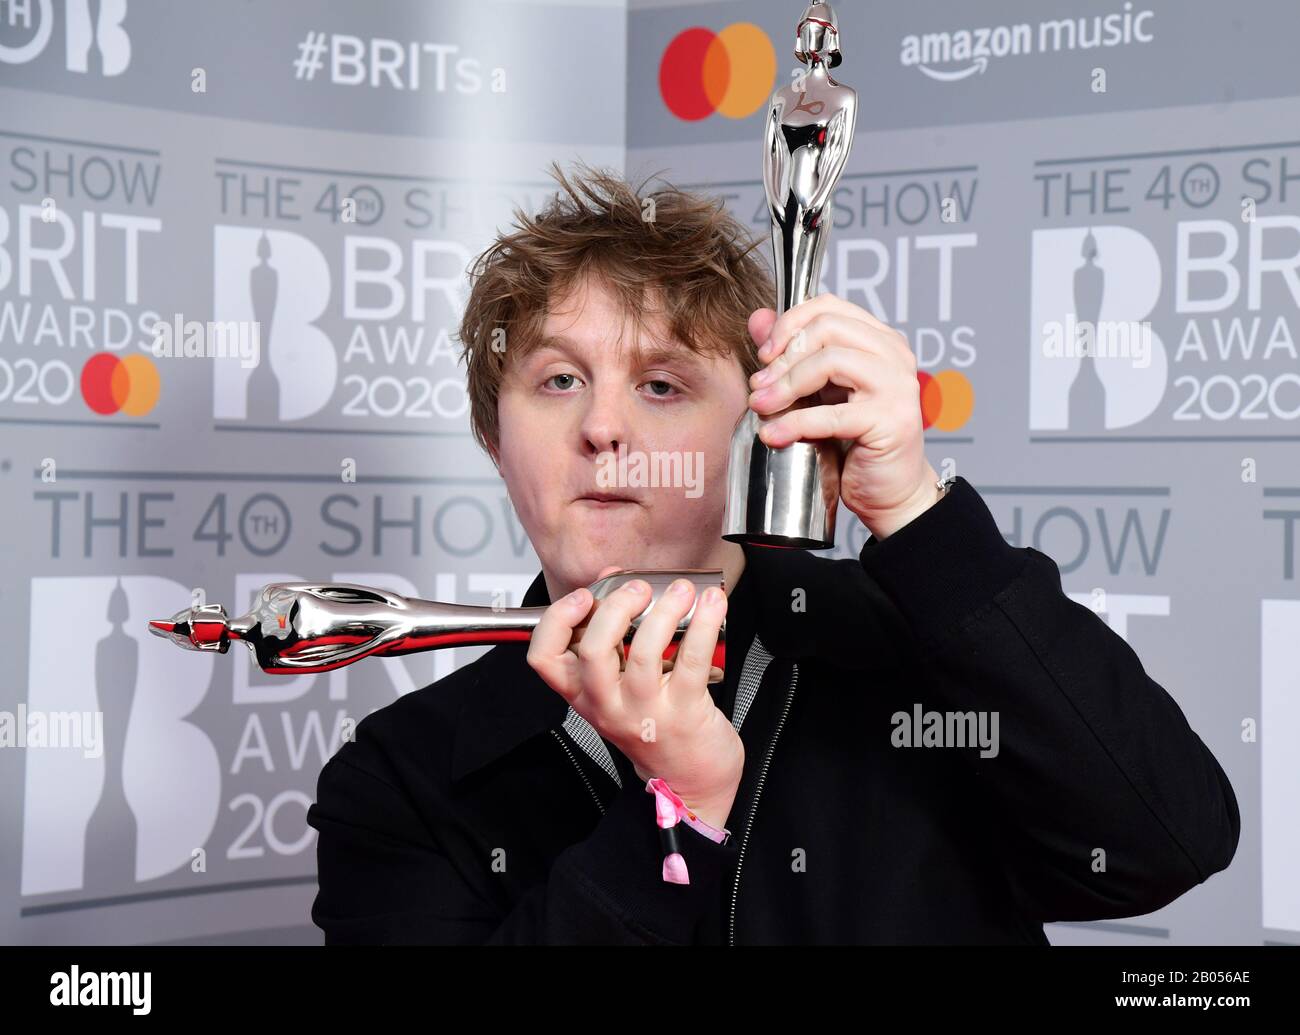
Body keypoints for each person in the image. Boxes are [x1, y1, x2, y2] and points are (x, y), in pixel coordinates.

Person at [304, 161, 1240, 945]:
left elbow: (1166, 842)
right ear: (493, 435)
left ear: (765, 428)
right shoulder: (399, 779)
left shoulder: (924, 647)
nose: (602, 427)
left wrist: (915, 512)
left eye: (663, 383)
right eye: (557, 379)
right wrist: (680, 812)